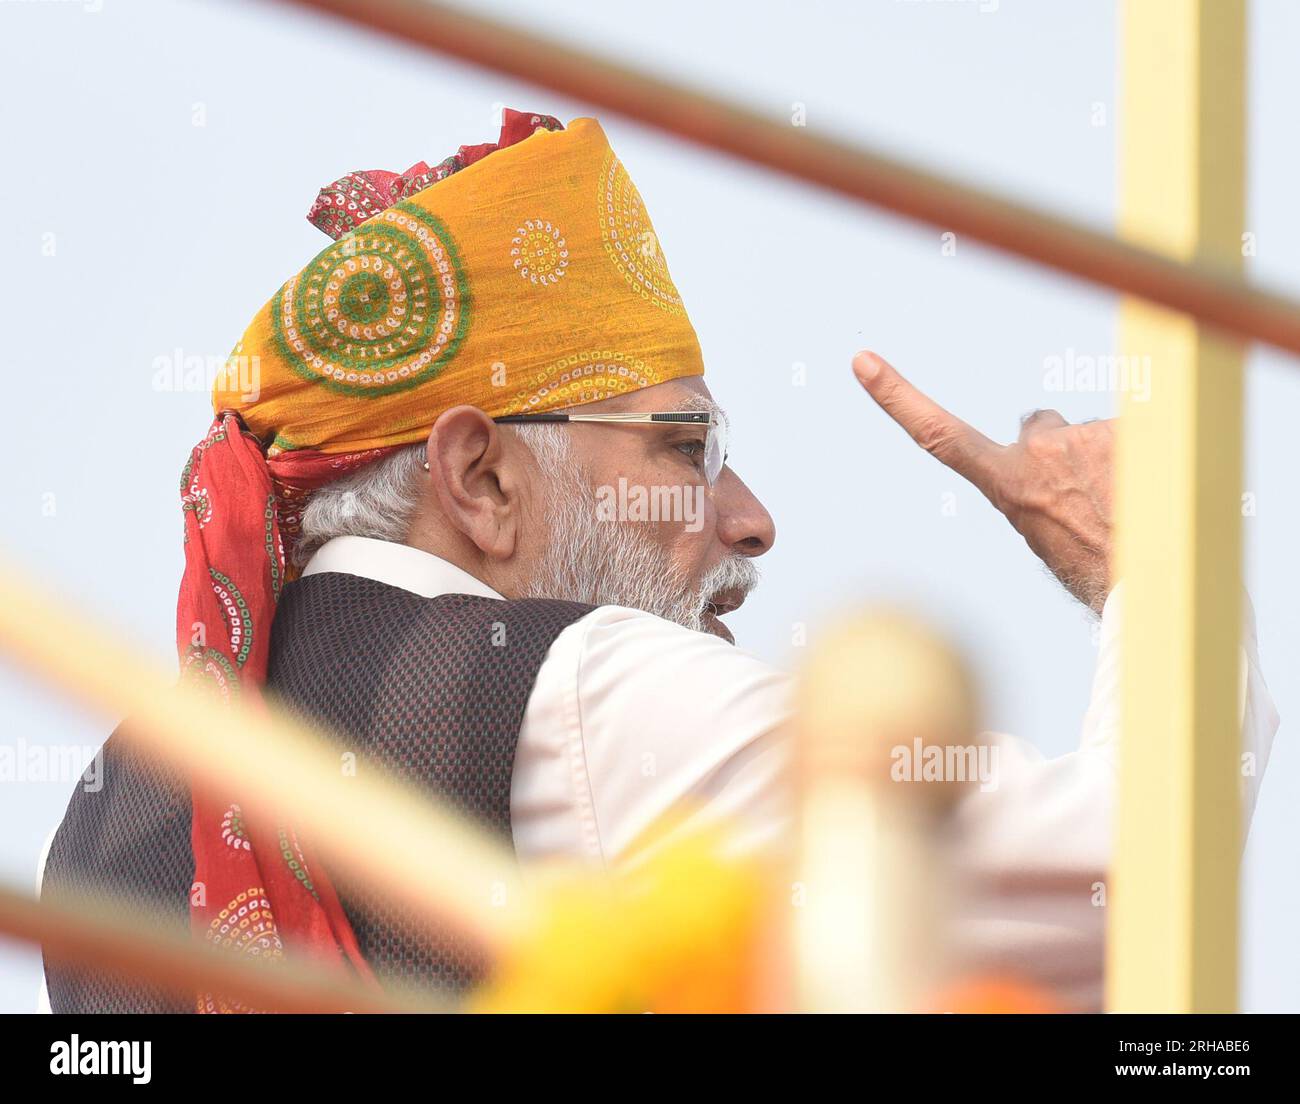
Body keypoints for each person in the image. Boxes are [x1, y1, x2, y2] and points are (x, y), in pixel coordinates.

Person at [39, 109, 1277, 1013]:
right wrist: (1149, 563)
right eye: (683, 449)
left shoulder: (103, 814)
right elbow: (1136, 877)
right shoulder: (578, 695)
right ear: (481, 479)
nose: (748, 519)